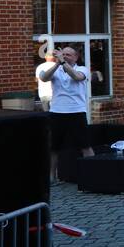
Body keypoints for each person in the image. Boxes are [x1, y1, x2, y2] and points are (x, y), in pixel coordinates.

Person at [36, 45, 94, 183]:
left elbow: (76, 77)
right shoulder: (57, 69)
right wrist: (57, 64)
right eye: (64, 54)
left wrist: (62, 62)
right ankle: (52, 177)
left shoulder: (82, 69)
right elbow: (43, 78)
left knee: (85, 145)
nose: (65, 56)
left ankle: (92, 173)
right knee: (54, 147)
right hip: (57, 112)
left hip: (76, 112)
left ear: (75, 57)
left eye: (69, 55)